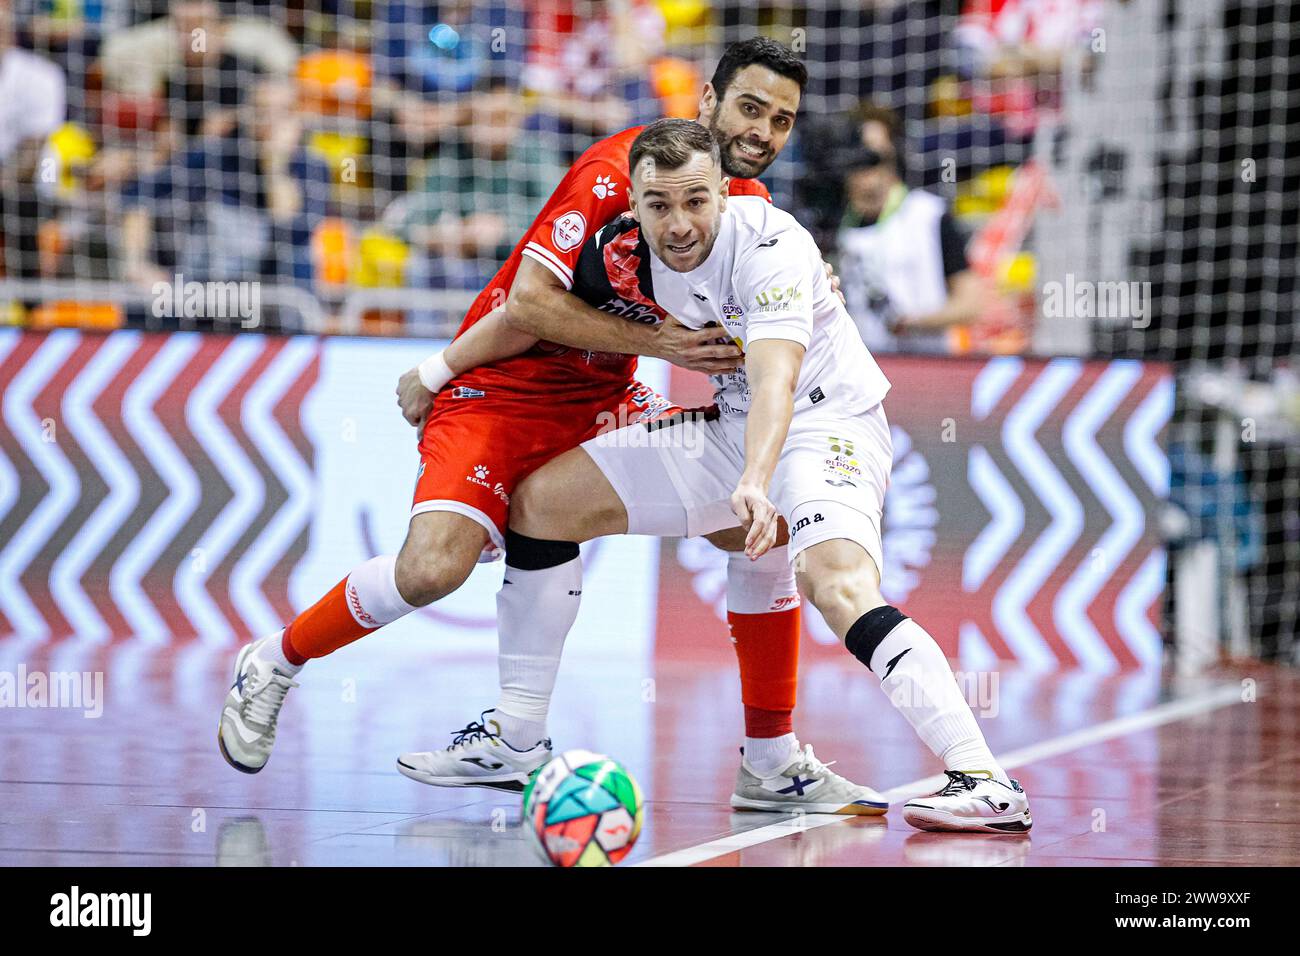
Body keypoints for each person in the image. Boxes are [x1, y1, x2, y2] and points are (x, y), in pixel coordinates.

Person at [219, 39, 882, 814]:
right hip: (503, 391)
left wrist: (808, 284)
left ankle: (767, 761)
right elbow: (528, 305)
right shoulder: (614, 171)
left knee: (755, 531)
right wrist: (440, 371)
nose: (763, 131)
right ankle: (274, 661)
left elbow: (768, 306)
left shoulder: (749, 216)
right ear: (706, 101)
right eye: (749, 108)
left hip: (604, 396)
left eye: (781, 120)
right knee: (435, 568)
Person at [412, 118, 1032, 831]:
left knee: (834, 582)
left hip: (824, 423)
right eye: (659, 205)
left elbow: (776, 383)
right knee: (539, 503)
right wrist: (435, 370)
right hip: (729, 428)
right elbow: (526, 311)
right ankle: (517, 739)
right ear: (635, 205)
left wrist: (753, 481)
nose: (678, 224)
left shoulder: (771, 248)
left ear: (722, 195)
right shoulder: (621, 251)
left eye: (696, 201)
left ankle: (986, 780)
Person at [837, 103, 987, 353]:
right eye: (859, 154)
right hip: (859, 373)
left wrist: (914, 322)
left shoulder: (929, 215)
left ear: (894, 155)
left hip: (924, 366)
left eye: (875, 156)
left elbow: (971, 303)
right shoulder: (836, 227)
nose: (866, 166)